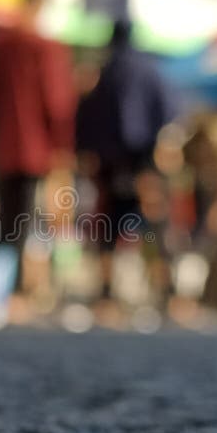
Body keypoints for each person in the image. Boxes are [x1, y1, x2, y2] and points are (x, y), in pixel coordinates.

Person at [0, 0, 76, 293]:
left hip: (1, 148)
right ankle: (13, 288)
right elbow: (56, 103)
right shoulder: (45, 49)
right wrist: (62, 147)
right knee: (21, 219)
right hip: (35, 150)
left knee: (9, 216)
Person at [76, 18, 179, 303]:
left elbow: (87, 118)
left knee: (109, 225)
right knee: (154, 223)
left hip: (111, 163)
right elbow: (168, 110)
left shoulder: (106, 72)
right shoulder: (149, 69)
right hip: (145, 159)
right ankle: (166, 288)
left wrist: (90, 152)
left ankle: (107, 288)